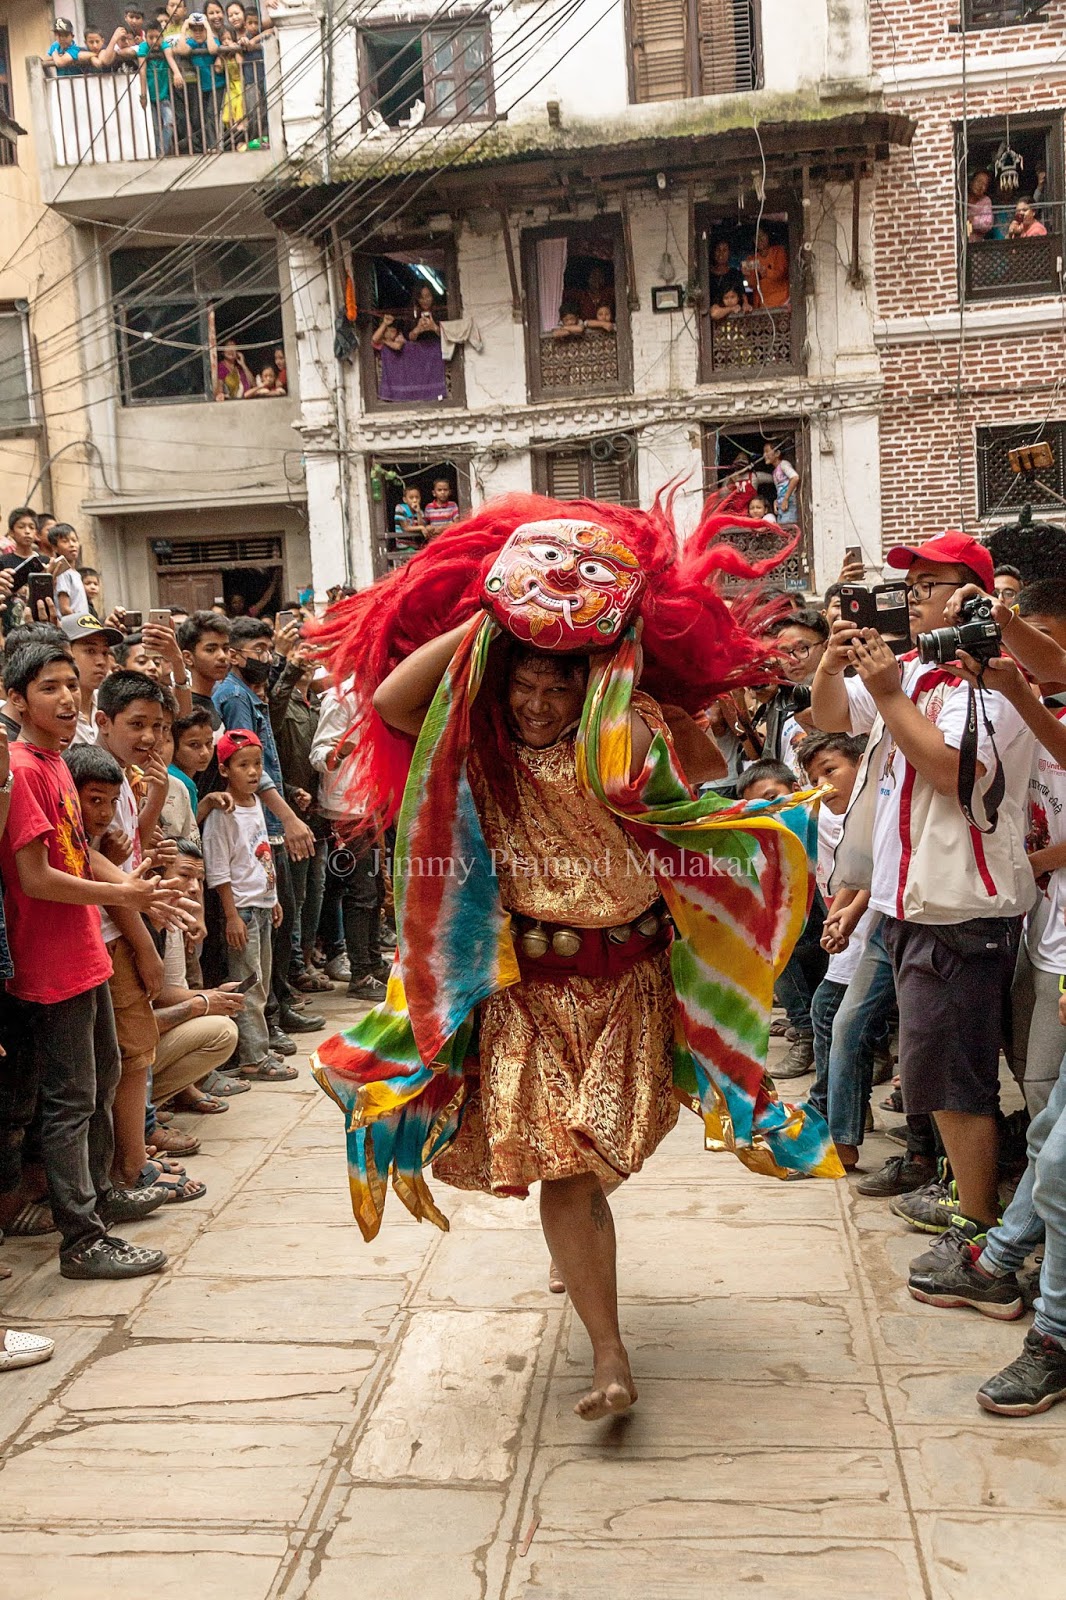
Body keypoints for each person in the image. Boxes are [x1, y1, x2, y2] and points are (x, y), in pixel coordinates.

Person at [310, 498, 842, 1422]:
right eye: (525, 683)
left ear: (588, 680)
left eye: (559, 686)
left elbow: (707, 759)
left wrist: (628, 675)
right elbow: (395, 701)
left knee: (606, 1152)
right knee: (566, 1168)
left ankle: (579, 1247)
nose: (539, 702)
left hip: (634, 983)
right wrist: (501, 610)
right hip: (530, 991)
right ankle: (610, 1355)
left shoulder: (626, 726)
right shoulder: (476, 748)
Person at [811, 530, 1036, 1267]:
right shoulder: (910, 670)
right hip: (911, 902)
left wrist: (883, 692)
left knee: (956, 1075)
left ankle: (977, 1227)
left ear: (973, 597)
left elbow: (951, 772)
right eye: (909, 589)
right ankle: (960, 1192)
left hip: (960, 908)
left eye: (933, 587)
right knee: (932, 1068)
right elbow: (829, 719)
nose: (914, 602)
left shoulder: (991, 681)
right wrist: (832, 656)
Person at [0, 642, 178, 1279]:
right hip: (49, 961)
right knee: (72, 1101)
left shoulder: (60, 763)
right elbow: (36, 877)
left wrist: (136, 889)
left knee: (101, 1085)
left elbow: (81, 854)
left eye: (71, 685)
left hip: (85, 952)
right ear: (17, 700)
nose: (68, 698)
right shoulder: (22, 768)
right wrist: (119, 893)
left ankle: (104, 1198)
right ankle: (81, 1239)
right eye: (49, 688)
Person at [213, 617, 321, 1051]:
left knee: (282, 921)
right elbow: (249, 769)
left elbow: (261, 764)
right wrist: (288, 817)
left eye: (269, 649)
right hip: (261, 832)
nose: (267, 657)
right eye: (260, 649)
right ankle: (263, 1030)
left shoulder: (250, 694)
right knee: (256, 953)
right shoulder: (235, 696)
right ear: (237, 655)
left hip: (267, 826)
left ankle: (277, 1008)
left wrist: (287, 793)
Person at [798, 732, 879, 1171]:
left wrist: (846, 916)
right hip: (861, 935)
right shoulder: (847, 813)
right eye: (815, 778)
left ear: (862, 762)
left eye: (831, 770)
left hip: (888, 930)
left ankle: (838, 1128)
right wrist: (838, 917)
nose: (824, 784)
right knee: (833, 1015)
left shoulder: (876, 805)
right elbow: (855, 872)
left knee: (838, 1017)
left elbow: (880, 870)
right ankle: (837, 1116)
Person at [201, 729, 292, 1080]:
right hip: (241, 910)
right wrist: (230, 915)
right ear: (225, 770)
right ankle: (252, 1057)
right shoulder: (223, 812)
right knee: (248, 985)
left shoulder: (255, 804)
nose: (253, 772)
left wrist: (274, 899)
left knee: (262, 982)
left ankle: (260, 1047)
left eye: (257, 764)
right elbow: (219, 868)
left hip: (262, 905)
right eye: (243, 765)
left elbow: (261, 857)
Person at [310, 681, 388, 1001]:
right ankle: (361, 974)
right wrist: (337, 753)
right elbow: (318, 753)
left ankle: (371, 959)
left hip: (367, 805)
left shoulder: (376, 692)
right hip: (345, 810)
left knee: (375, 888)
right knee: (361, 891)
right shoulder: (341, 698)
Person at [59, 612, 124, 747]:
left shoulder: (109, 704)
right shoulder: (53, 711)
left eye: (105, 653)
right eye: (90, 651)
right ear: (65, 653)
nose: (101, 661)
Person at [137, 19, 183, 154]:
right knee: (155, 127)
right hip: (150, 96)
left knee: (169, 123)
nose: (153, 41)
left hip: (163, 95)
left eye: (157, 37)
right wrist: (143, 94)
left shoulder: (164, 45)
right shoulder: (143, 48)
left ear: (161, 36)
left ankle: (162, 151)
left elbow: (170, 58)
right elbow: (142, 71)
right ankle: (158, 153)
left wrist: (177, 74)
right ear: (145, 37)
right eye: (150, 37)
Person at [46, 524, 89, 618]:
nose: (72, 545)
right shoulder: (62, 572)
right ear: (54, 547)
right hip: (73, 627)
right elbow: (64, 609)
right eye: (65, 541)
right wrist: (83, 623)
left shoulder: (75, 573)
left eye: (74, 540)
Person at [742, 228, 790, 309]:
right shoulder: (751, 258)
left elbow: (781, 273)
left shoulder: (778, 251)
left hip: (783, 301)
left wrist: (766, 272)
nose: (759, 239)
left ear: (768, 236)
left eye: (762, 235)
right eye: (756, 237)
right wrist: (747, 276)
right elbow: (752, 286)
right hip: (763, 304)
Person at [763, 443, 800, 529]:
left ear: (777, 453)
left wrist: (786, 499)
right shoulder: (775, 471)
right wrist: (777, 500)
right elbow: (781, 489)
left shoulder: (783, 464)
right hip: (783, 504)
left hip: (789, 503)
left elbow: (795, 478)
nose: (764, 455)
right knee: (781, 529)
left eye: (767, 451)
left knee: (787, 529)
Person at [707, 238, 747, 310]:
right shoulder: (707, 275)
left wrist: (745, 304)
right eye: (718, 250)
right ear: (713, 252)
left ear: (729, 253)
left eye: (724, 250)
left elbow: (742, 294)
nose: (721, 253)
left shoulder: (735, 273)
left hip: (734, 313)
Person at [393, 486, 428, 554]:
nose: (415, 500)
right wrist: (421, 527)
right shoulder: (400, 508)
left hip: (416, 545)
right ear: (405, 499)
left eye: (417, 497)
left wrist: (418, 512)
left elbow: (421, 525)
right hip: (403, 545)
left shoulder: (420, 511)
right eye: (411, 498)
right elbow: (405, 528)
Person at [966, 170, 994, 240]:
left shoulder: (985, 201)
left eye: (984, 184)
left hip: (976, 244)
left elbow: (987, 224)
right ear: (972, 182)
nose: (980, 186)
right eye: (978, 181)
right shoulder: (962, 196)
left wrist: (973, 220)